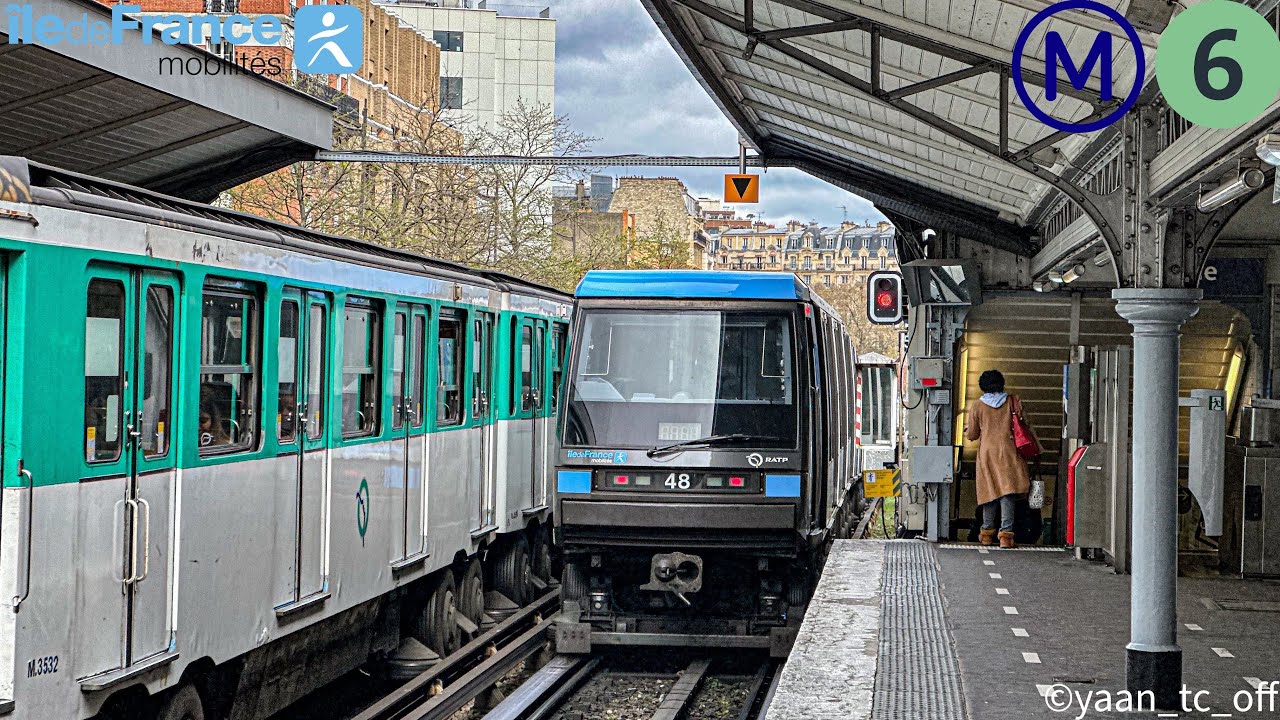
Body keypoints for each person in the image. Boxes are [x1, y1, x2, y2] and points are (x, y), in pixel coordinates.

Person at [965, 369, 1034, 549]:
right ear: (1001, 383)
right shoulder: (1013, 401)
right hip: (1010, 450)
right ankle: (1005, 536)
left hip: (987, 453)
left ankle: (986, 534)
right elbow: (1025, 424)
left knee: (989, 492)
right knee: (1007, 492)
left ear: (983, 386)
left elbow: (972, 434)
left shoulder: (977, 406)